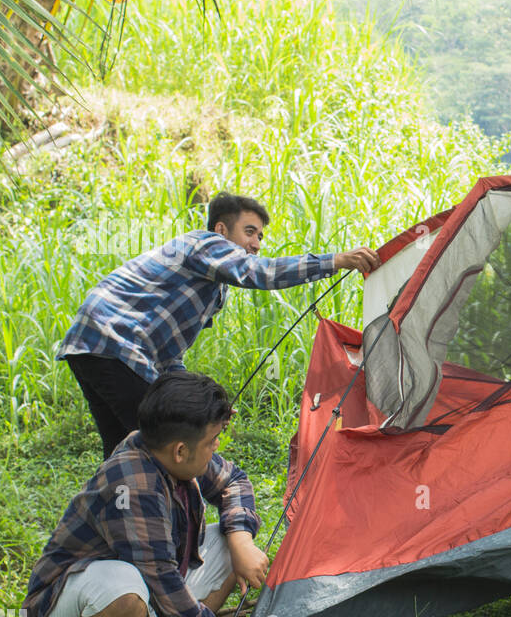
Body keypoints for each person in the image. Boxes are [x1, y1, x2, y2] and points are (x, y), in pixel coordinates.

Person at [59, 192, 382, 460]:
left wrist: (205, 403)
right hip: (116, 341)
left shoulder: (208, 282)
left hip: (92, 343)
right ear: (222, 230)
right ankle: (167, 527)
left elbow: (170, 357)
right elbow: (262, 273)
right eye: (250, 232)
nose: (257, 243)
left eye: (260, 237)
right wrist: (335, 261)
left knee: (122, 448)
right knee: (163, 446)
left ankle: (112, 524)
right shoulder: (206, 244)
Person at [23, 372, 266, 617]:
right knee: (121, 582)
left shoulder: (168, 451)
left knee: (226, 542)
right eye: (213, 440)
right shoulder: (133, 482)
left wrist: (241, 541)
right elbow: (159, 576)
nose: (216, 448)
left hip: (148, 598)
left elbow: (235, 482)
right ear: (181, 450)